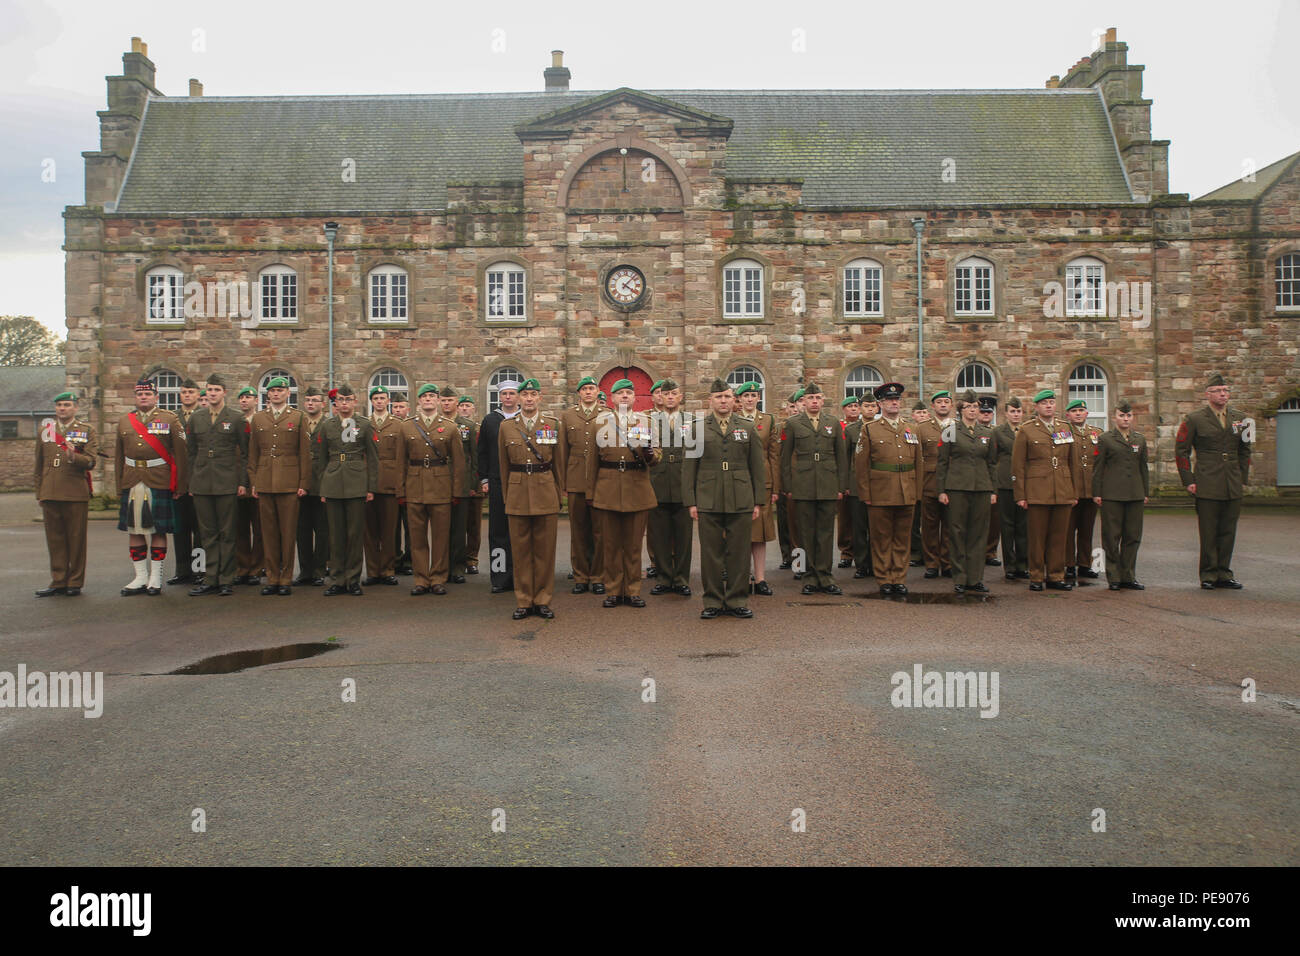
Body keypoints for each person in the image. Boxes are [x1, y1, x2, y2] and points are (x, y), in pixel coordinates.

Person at [684, 378, 765, 618]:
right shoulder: (697, 429)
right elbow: (689, 467)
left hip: (740, 497)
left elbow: (757, 468)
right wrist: (691, 501)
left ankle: (737, 600)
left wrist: (757, 501)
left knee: (739, 552)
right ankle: (712, 601)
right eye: (718, 397)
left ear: (734, 400)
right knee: (711, 553)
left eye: (727, 396)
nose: (723, 401)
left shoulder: (747, 427)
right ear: (710, 400)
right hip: (708, 498)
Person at [1175, 372, 1252, 589]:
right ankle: (1208, 574)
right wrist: (1188, 479)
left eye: (1226, 390)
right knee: (1209, 531)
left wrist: (1242, 478)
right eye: (1218, 391)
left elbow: (1246, 449)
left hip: (1232, 482)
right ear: (1208, 394)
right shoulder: (1194, 419)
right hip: (1207, 480)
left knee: (1228, 530)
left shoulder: (1242, 419)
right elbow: (1181, 450)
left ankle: (1224, 573)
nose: (1223, 394)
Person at [588, 378, 659, 607]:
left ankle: (632, 590)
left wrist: (651, 455)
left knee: (633, 544)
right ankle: (613, 591)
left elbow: (657, 455)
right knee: (610, 544)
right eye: (620, 394)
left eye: (629, 392)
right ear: (612, 398)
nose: (625, 396)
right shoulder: (599, 423)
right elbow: (591, 462)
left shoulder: (647, 421)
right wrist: (591, 492)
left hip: (636, 486)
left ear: (635, 398)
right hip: (608, 487)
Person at [114, 377, 189, 596]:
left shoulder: (170, 419)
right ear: (135, 397)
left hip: (159, 479)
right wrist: (119, 485)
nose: (143, 397)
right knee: (134, 529)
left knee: (158, 528)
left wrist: (180, 485)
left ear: (156, 397)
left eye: (148, 394)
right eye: (140, 394)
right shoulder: (124, 421)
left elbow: (181, 454)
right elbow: (119, 455)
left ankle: (155, 577)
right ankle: (140, 577)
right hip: (131, 479)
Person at [498, 378, 564, 619]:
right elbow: (503, 465)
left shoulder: (552, 424)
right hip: (517, 492)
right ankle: (524, 600)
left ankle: (543, 599)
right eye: (524, 394)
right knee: (521, 550)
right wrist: (507, 495)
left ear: (539, 398)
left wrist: (559, 492)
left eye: (532, 394)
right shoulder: (506, 427)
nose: (528, 398)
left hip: (545, 489)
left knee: (545, 551)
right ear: (518, 398)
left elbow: (558, 462)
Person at [396, 383, 465, 596]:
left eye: (431, 396)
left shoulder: (450, 427)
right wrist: (401, 490)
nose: (428, 399)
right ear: (418, 401)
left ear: (437, 401)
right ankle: (421, 579)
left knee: (440, 536)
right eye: (424, 396)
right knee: (416, 537)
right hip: (415, 486)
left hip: (441, 486)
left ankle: (438, 577)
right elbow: (400, 461)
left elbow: (459, 463)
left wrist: (456, 491)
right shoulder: (406, 427)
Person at [780, 382, 848, 595]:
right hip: (803, 484)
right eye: (810, 398)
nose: (815, 402)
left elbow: (841, 457)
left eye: (818, 398)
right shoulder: (792, 424)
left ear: (823, 399)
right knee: (805, 532)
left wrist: (841, 486)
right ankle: (808, 577)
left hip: (827, 483)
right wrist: (787, 486)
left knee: (826, 533)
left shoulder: (833, 423)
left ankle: (825, 576)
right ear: (804, 401)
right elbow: (784, 458)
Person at [1011, 389, 1083, 591]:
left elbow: (1073, 462)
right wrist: (1020, 495)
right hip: (1037, 491)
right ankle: (1036, 576)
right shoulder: (1026, 430)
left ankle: (1056, 576)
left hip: (1062, 489)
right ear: (1036, 407)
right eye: (1044, 403)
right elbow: (1018, 465)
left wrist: (1074, 492)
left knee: (1059, 536)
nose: (1049, 406)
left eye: (1051, 402)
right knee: (1037, 537)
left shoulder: (1065, 428)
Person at [855, 382, 923, 595]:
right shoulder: (869, 429)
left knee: (903, 538)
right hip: (880, 492)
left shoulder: (910, 428)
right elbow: (861, 465)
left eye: (897, 399)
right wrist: (866, 494)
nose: (894, 403)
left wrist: (917, 492)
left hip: (906, 490)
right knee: (882, 538)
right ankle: (884, 578)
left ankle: (899, 578)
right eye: (889, 400)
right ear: (880, 404)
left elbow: (919, 463)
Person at [185, 373, 248, 597]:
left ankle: (226, 578)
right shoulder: (196, 418)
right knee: (207, 533)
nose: (212, 394)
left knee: (227, 532)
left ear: (224, 392)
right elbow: (191, 453)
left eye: (216, 390)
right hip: (202, 481)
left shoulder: (237, 418)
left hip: (226, 481)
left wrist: (242, 482)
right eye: (209, 390)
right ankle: (210, 578)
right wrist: (191, 481)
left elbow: (245, 454)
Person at [247, 375, 311, 595]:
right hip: (265, 481)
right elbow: (253, 453)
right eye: (272, 391)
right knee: (269, 532)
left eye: (280, 391)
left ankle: (285, 578)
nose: (276, 394)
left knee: (287, 531)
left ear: (287, 394)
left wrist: (303, 482)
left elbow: (304, 453)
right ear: (268, 395)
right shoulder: (258, 419)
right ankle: (272, 577)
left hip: (289, 482)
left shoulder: (298, 417)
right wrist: (254, 481)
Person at [313, 384, 379, 595]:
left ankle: (353, 579)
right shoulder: (327, 425)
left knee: (354, 534)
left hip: (356, 482)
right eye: (340, 400)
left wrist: (371, 487)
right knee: (336, 534)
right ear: (335, 403)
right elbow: (321, 459)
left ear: (355, 402)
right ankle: (337, 579)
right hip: (332, 483)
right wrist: (322, 488)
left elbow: (374, 459)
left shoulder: (365, 425)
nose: (344, 403)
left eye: (348, 399)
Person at [34, 389, 97, 597]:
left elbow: (90, 461)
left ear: (75, 408)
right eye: (59, 405)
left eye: (67, 405)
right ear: (55, 408)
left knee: (76, 539)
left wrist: (73, 456)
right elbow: (39, 463)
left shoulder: (86, 430)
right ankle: (58, 580)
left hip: (74, 492)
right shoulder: (46, 429)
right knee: (55, 539)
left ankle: (75, 581)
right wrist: (39, 491)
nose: (63, 409)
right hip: (50, 491)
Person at [937, 390, 998, 594]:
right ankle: (960, 577)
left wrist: (993, 490)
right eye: (968, 407)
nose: (972, 410)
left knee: (979, 534)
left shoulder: (988, 433)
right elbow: (943, 462)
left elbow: (992, 464)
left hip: (981, 487)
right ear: (961, 410)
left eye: (975, 407)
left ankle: (975, 577)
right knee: (957, 533)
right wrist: (942, 490)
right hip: (957, 487)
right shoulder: (950, 430)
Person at [1092, 400, 1150, 591]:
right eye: (1121, 415)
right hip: (1112, 494)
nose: (1125, 419)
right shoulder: (1106, 439)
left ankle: (1128, 575)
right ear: (1114, 417)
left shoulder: (1139, 439)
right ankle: (1114, 576)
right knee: (1111, 536)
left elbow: (1143, 468)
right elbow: (1098, 468)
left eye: (1128, 415)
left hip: (1135, 493)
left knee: (1133, 536)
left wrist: (1145, 492)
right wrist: (1097, 492)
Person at [559, 376, 605, 594]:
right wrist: (563, 482)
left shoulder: (607, 415)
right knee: (578, 531)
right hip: (575, 478)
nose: (588, 392)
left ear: (598, 392)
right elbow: (562, 452)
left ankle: (597, 576)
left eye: (591, 388)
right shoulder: (567, 416)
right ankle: (580, 576)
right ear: (579, 393)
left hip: (599, 480)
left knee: (599, 531)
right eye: (584, 389)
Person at [734, 381, 780, 595]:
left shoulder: (768, 420)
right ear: (739, 399)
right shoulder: (733, 420)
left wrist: (776, 488)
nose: (750, 399)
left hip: (763, 481)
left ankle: (760, 578)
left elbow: (774, 455)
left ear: (758, 398)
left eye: (753, 395)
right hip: (740, 479)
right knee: (740, 531)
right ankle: (741, 576)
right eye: (746, 396)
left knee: (760, 533)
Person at [648, 378, 693, 597]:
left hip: (683, 483)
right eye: (666, 394)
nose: (671, 397)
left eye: (674, 393)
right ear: (660, 397)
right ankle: (664, 577)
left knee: (684, 537)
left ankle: (682, 578)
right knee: (660, 536)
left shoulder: (692, 421)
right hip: (657, 482)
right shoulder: (649, 421)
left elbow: (697, 455)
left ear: (680, 397)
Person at [478, 380, 519, 594]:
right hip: (497, 482)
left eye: (512, 393)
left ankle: (521, 575)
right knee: (498, 532)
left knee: (520, 531)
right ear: (500, 397)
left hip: (521, 482)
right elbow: (482, 452)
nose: (509, 397)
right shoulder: (490, 421)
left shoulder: (524, 419)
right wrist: (484, 479)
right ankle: (500, 576)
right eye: (505, 394)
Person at [363, 385, 403, 586]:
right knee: (369, 532)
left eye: (382, 398)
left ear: (388, 401)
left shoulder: (398, 424)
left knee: (389, 530)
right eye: (375, 398)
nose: (379, 401)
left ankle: (388, 569)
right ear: (371, 401)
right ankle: (372, 571)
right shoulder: (362, 424)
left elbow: (402, 456)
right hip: (367, 483)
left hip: (390, 482)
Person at [439, 386, 476, 584]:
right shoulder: (435, 424)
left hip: (461, 481)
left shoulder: (467, 426)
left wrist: (472, 483)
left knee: (459, 528)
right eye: (443, 400)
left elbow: (473, 458)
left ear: (457, 403)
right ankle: (441, 567)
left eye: (450, 400)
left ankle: (457, 567)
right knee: (441, 528)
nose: (446, 404)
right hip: (439, 480)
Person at [917, 389, 954, 579]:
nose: (943, 405)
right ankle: (931, 563)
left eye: (946, 402)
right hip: (929, 482)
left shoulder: (957, 426)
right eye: (939, 402)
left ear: (951, 405)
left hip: (951, 482)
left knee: (949, 526)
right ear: (933, 406)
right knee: (930, 526)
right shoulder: (922, 428)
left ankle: (947, 563)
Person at [294, 386, 330, 586]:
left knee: (323, 530)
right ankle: (305, 570)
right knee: (302, 530)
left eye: (315, 400)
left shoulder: (329, 424)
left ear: (322, 404)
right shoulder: (298, 423)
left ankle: (319, 570)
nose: (311, 403)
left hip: (322, 484)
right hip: (300, 484)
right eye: (308, 400)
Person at [169, 378, 202, 586]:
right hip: (178, 480)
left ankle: (199, 569)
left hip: (199, 479)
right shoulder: (173, 418)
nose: (187, 395)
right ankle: (182, 570)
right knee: (180, 529)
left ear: (199, 394)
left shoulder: (204, 415)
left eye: (191, 391)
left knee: (200, 530)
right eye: (184, 392)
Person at [1064, 398, 1102, 581]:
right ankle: (1069, 564)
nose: (1078, 413)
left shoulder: (1097, 433)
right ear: (1068, 415)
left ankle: (1085, 564)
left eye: (1081, 410)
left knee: (1087, 530)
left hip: (1090, 490)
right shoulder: (1063, 433)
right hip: (1071, 489)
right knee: (1068, 530)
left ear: (1087, 413)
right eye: (1074, 411)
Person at [992, 397, 1029, 580]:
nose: (1016, 415)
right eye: (1012, 411)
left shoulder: (1027, 431)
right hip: (1005, 483)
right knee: (1007, 527)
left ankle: (1023, 564)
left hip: (1024, 483)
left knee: (1024, 526)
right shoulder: (998, 432)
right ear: (1006, 413)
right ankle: (1010, 566)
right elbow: (993, 460)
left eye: (1019, 411)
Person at [233, 385, 263, 585]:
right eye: (241, 398)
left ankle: (257, 567)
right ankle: (242, 567)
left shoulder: (261, 421)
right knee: (239, 528)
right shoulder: (234, 421)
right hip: (237, 479)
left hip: (258, 479)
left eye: (248, 397)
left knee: (260, 528)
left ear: (256, 400)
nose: (244, 401)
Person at [839, 395, 872, 578]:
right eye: (866, 406)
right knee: (858, 527)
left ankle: (876, 564)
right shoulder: (851, 430)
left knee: (876, 528)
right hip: (856, 484)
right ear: (861, 408)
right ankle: (861, 564)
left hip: (877, 484)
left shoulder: (879, 427)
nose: (870, 409)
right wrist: (845, 485)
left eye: (873, 406)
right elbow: (845, 459)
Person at [776, 389, 805, 571]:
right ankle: (790, 558)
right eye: (792, 406)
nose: (795, 409)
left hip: (804, 481)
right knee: (785, 523)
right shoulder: (781, 428)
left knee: (800, 526)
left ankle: (800, 562)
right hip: (785, 481)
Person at [457, 395, 483, 574]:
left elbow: (479, 457)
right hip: (459, 482)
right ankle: (457, 558)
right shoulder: (452, 427)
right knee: (458, 524)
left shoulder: (479, 429)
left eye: (468, 406)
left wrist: (477, 483)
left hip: (475, 482)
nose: (465, 409)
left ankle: (472, 559)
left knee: (474, 525)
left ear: (474, 409)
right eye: (462, 406)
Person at [645, 379, 667, 579]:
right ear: (652, 396)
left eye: (665, 392)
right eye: (658, 392)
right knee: (653, 523)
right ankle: (654, 561)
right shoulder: (643, 418)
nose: (661, 395)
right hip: (652, 474)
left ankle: (673, 559)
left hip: (673, 474)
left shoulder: (683, 419)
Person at [976, 395, 1002, 567]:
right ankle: (976, 551)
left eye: (989, 412)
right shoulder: (972, 431)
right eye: (983, 411)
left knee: (994, 520)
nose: (986, 414)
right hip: (976, 479)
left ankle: (990, 551)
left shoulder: (997, 432)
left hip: (993, 479)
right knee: (976, 519)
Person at [837, 395, 862, 568]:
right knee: (845, 518)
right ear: (844, 409)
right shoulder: (838, 426)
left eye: (856, 406)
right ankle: (846, 552)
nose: (853, 409)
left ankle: (862, 551)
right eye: (850, 406)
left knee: (861, 520)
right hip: (844, 476)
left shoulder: (863, 427)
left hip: (859, 479)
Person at [390, 393, 413, 576]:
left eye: (401, 407)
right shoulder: (388, 424)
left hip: (411, 481)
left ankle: (410, 560)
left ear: (408, 409)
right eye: (395, 407)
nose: (398, 410)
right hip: (390, 482)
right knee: (393, 526)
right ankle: (395, 559)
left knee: (411, 525)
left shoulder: (412, 426)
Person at [908, 401, 930, 566]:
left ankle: (930, 553)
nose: (922, 416)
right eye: (919, 413)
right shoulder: (909, 431)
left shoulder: (938, 429)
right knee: (914, 520)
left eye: (924, 413)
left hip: (930, 478)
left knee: (929, 520)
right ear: (913, 415)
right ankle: (916, 553)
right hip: (914, 479)